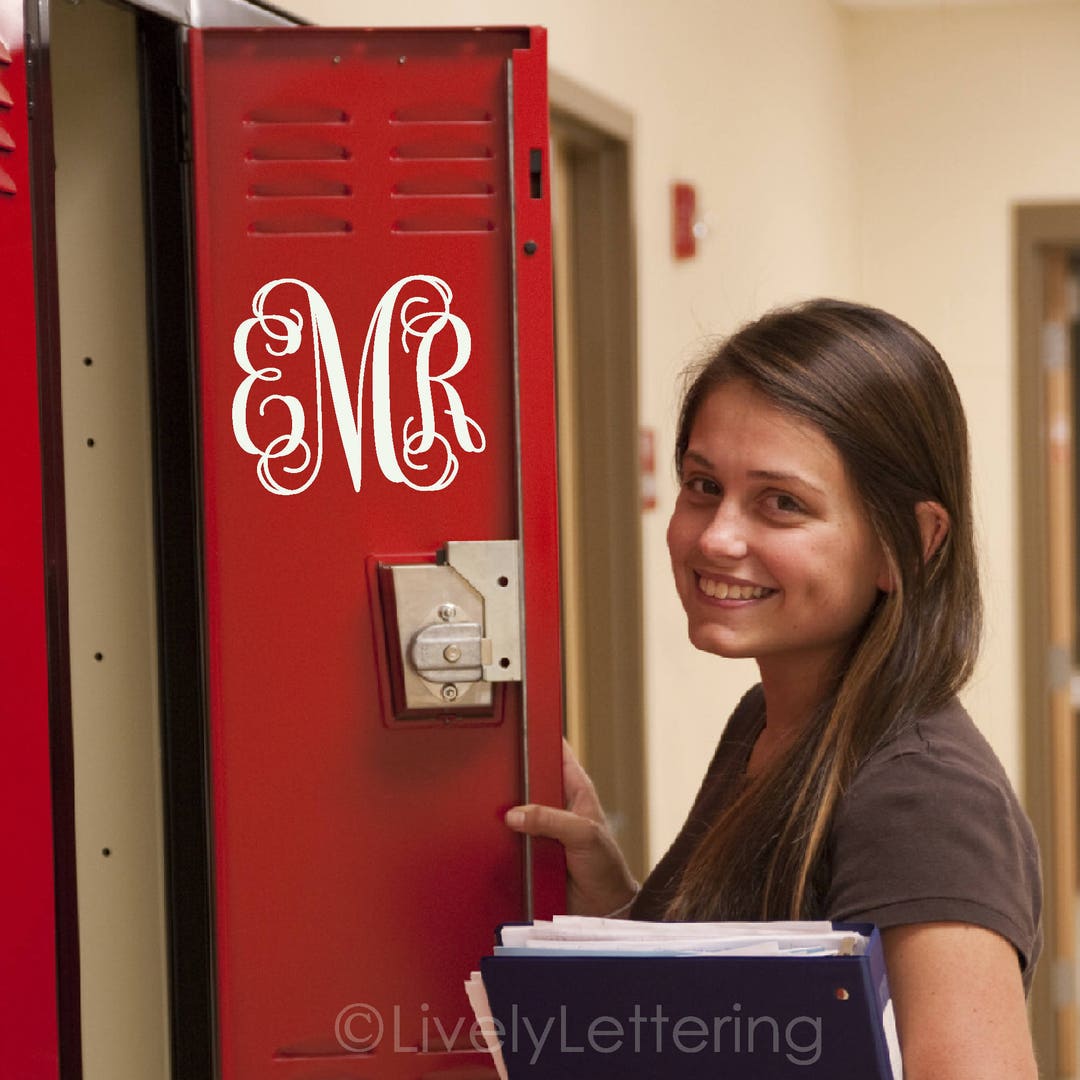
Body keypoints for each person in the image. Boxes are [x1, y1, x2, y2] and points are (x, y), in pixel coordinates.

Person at [504, 298, 1042, 1078]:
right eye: (700, 485)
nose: (716, 537)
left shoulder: (923, 797)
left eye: (781, 504)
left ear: (912, 545)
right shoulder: (769, 722)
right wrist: (612, 903)